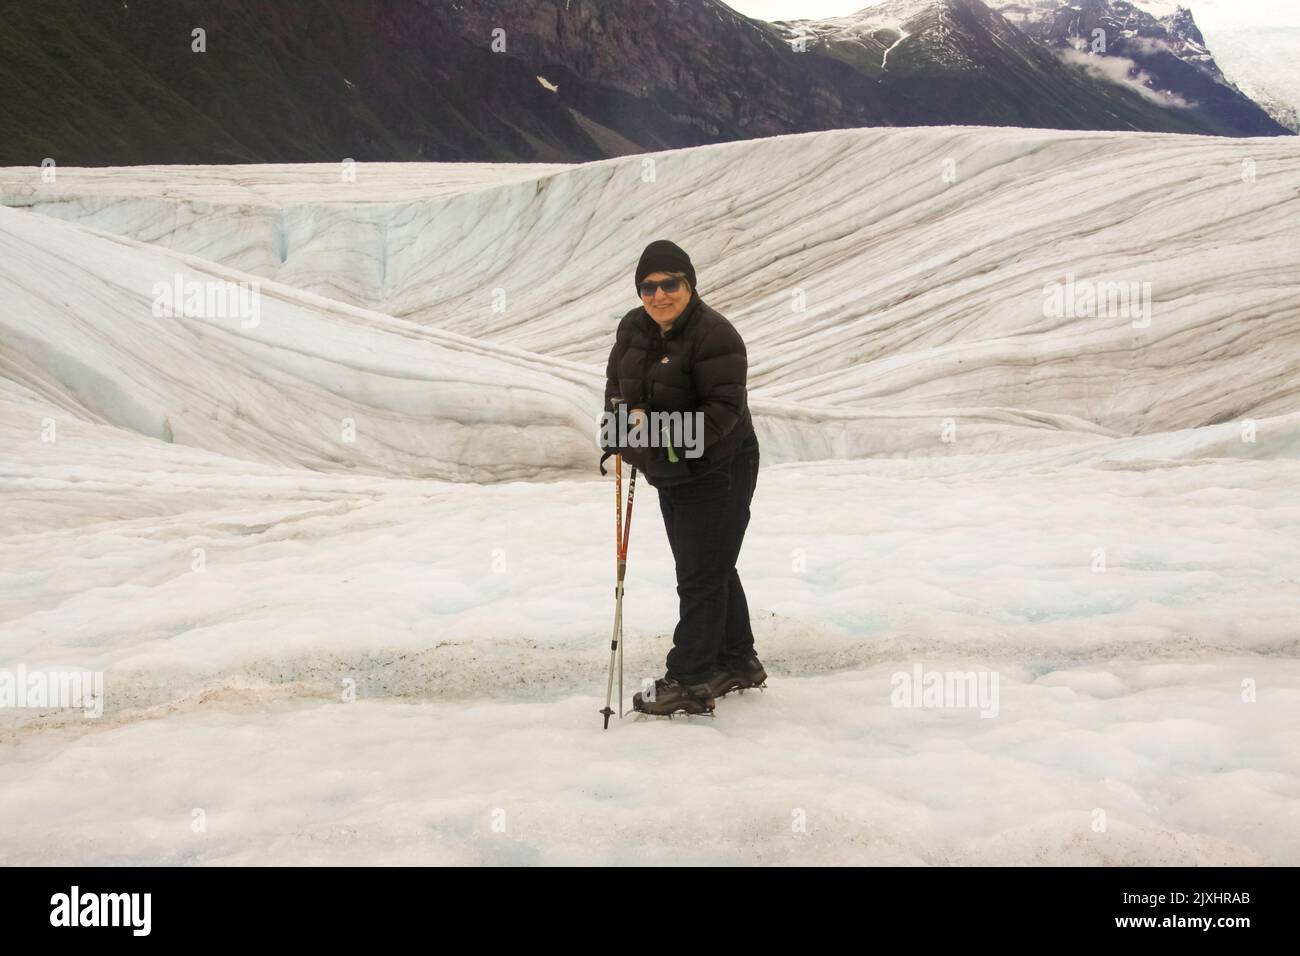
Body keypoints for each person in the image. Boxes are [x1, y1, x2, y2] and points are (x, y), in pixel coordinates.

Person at [601, 239, 765, 716]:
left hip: (720, 468)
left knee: (699, 574)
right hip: (669, 469)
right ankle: (737, 660)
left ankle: (690, 679)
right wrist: (616, 436)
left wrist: (645, 434)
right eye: (647, 287)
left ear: (689, 284)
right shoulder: (632, 329)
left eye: (670, 284)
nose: (658, 295)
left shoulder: (717, 336)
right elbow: (616, 392)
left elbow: (723, 415)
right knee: (710, 564)